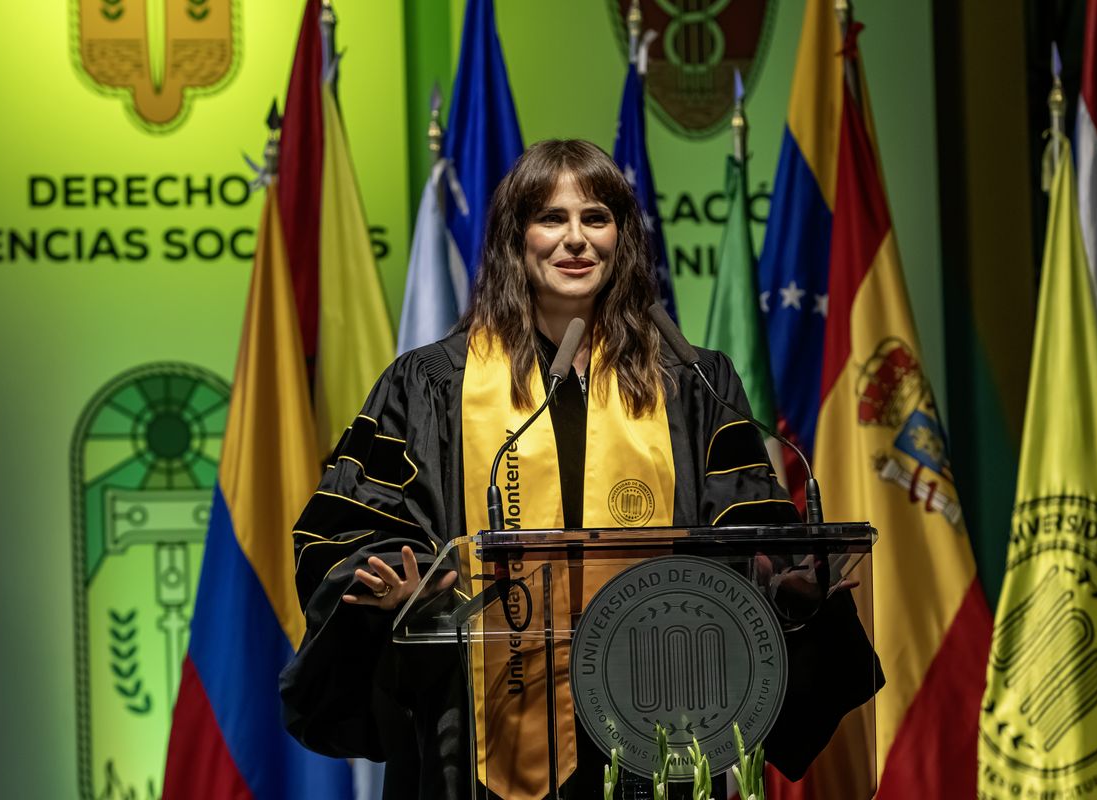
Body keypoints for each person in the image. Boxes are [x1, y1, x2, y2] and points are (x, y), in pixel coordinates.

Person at [280, 139, 880, 799]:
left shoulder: (691, 383)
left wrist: (792, 589)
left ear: (622, 237)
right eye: (551, 218)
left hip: (660, 726)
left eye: (596, 218)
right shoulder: (430, 384)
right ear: (515, 239)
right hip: (478, 735)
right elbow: (348, 531)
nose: (576, 239)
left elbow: (749, 539)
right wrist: (403, 592)